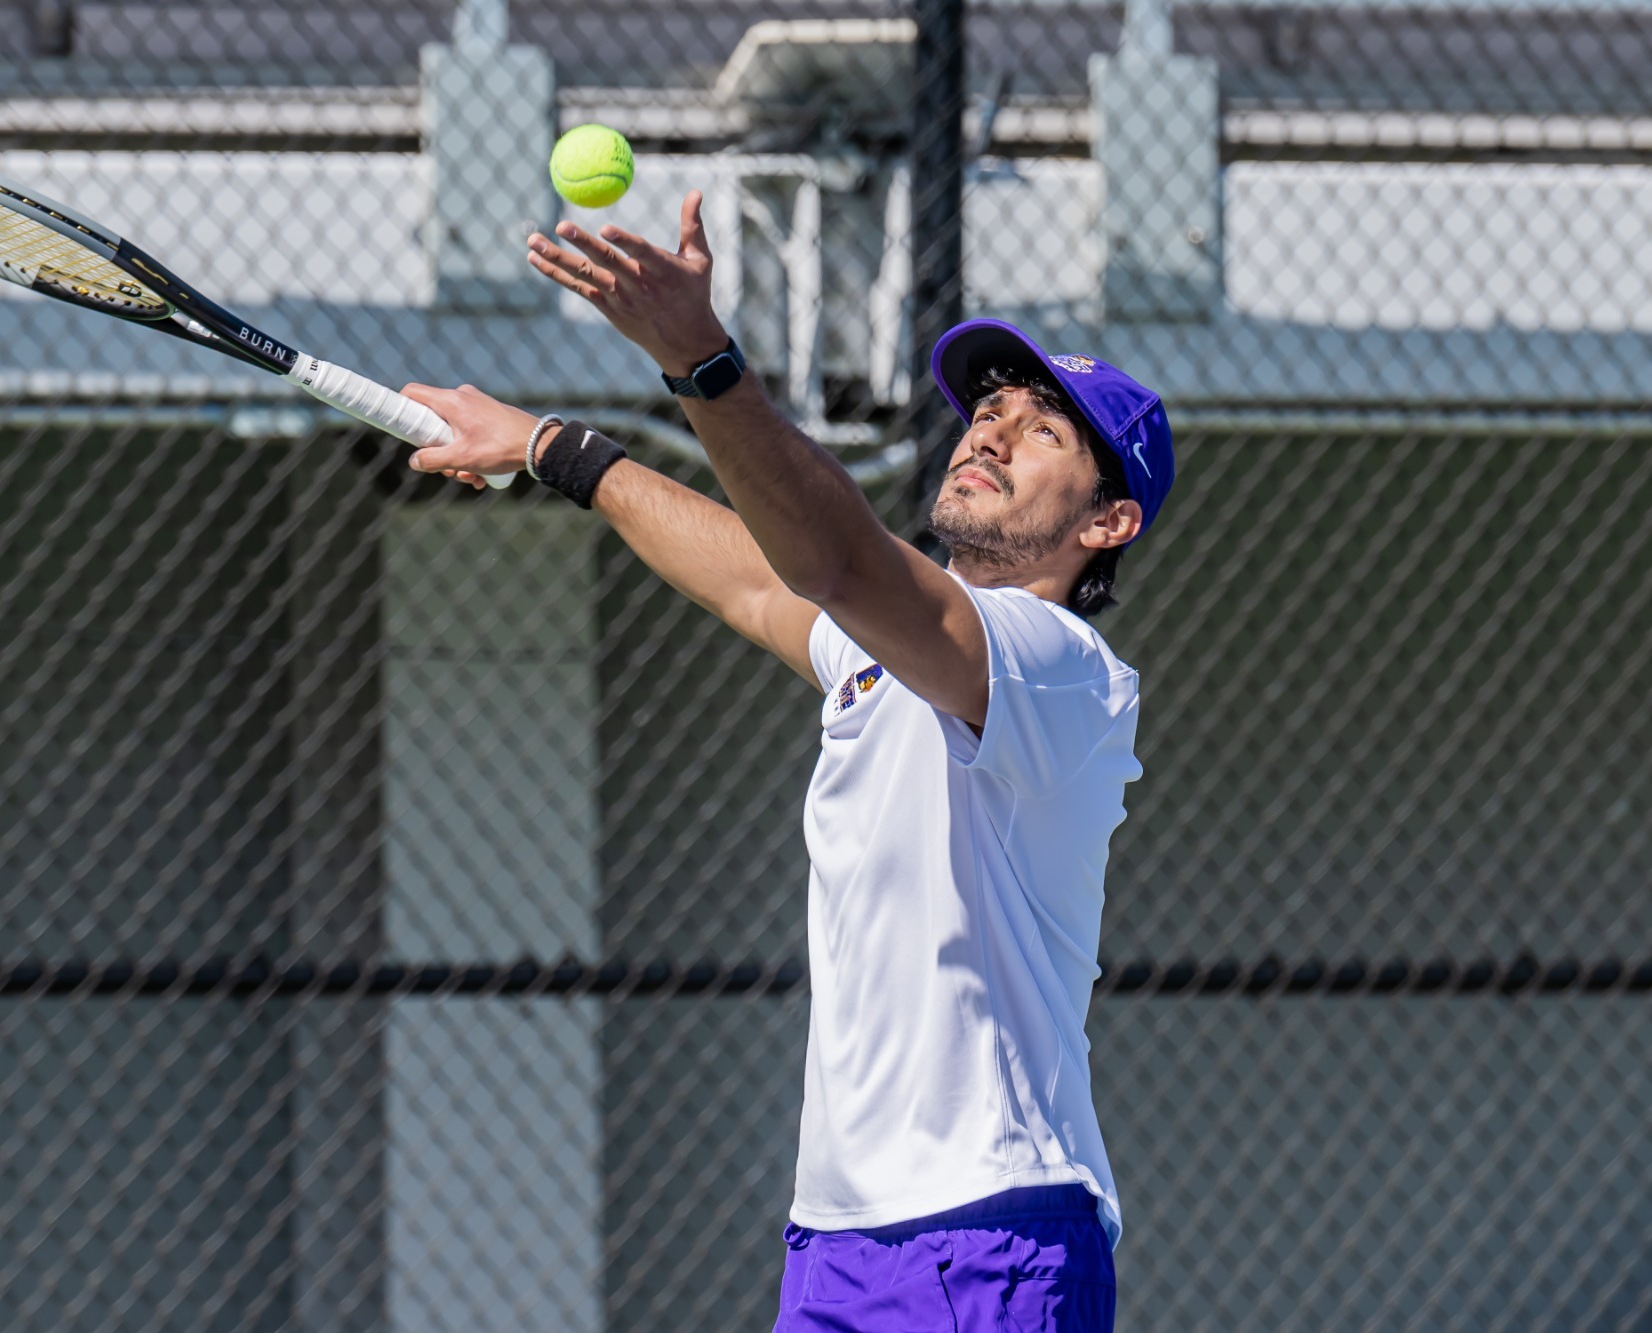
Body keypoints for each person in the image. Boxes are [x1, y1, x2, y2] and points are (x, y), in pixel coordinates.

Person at [401, 190, 1175, 1332]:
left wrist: (700, 360)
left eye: (1042, 430)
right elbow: (761, 579)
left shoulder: (1058, 666)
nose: (990, 431)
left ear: (1105, 522)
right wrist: (556, 449)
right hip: (836, 1241)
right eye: (989, 408)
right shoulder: (883, 644)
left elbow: (832, 565)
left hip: (987, 1232)